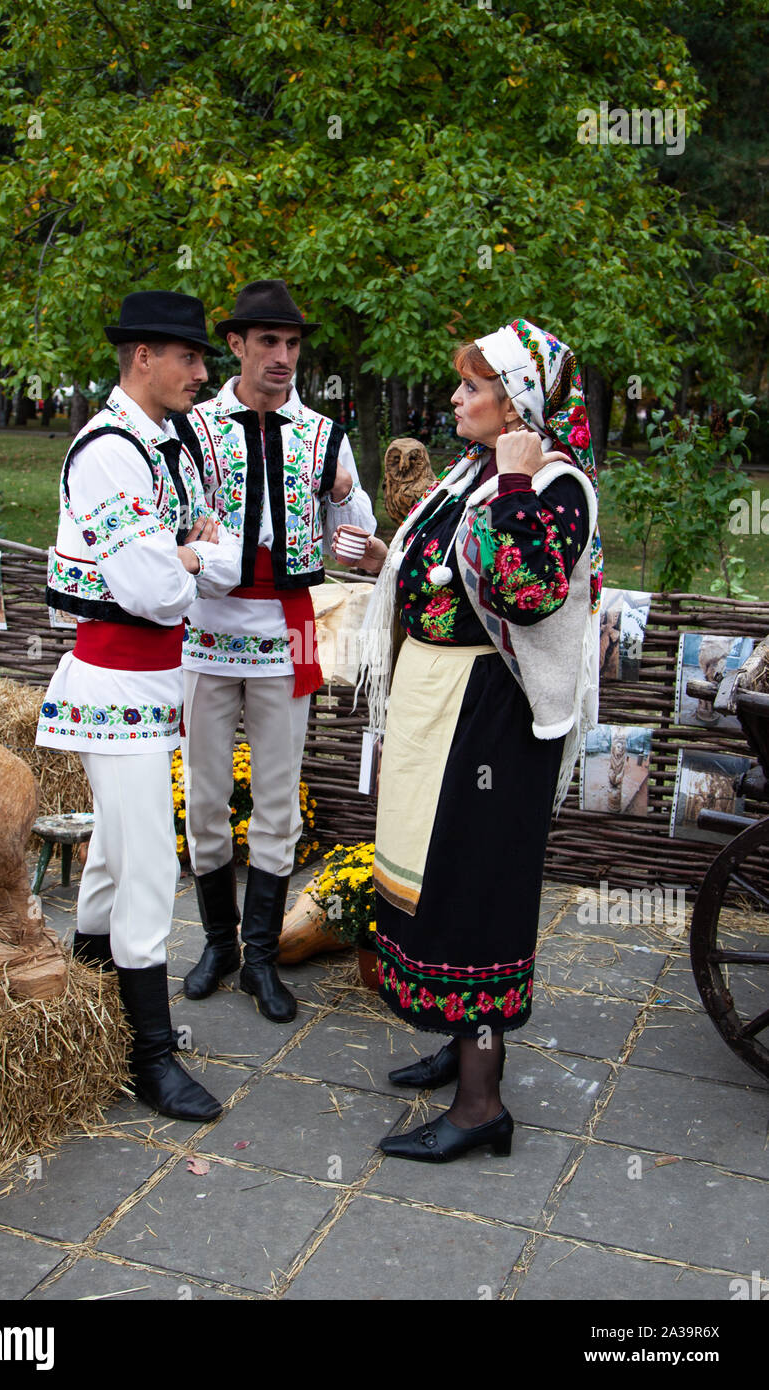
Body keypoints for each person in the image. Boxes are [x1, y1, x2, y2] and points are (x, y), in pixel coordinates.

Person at [343, 317, 602, 1163]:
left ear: (518, 401)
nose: (456, 397)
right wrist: (390, 556)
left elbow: (528, 595)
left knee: (473, 894)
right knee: (429, 877)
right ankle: (460, 1045)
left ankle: (481, 1103)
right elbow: (455, 569)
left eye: (474, 386)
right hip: (439, 703)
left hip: (490, 714)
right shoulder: (475, 473)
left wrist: (522, 485)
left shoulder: (552, 484)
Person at [36, 291, 242, 1121]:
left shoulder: (174, 444)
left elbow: (221, 554)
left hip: (155, 683)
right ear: (143, 359)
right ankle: (147, 1054)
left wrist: (187, 554)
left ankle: (89, 1016)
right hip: (113, 684)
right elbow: (154, 589)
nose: (202, 372)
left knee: (120, 859)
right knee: (152, 864)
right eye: (189, 357)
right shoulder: (109, 451)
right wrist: (188, 558)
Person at [172, 279, 376, 1022]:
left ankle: (262, 956)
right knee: (204, 797)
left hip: (288, 625)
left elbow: (354, 543)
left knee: (281, 802)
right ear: (236, 345)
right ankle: (217, 944)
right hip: (206, 625)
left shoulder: (324, 435)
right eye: (269, 342)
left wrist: (348, 497)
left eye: (292, 344)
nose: (283, 356)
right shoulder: (194, 428)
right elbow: (173, 527)